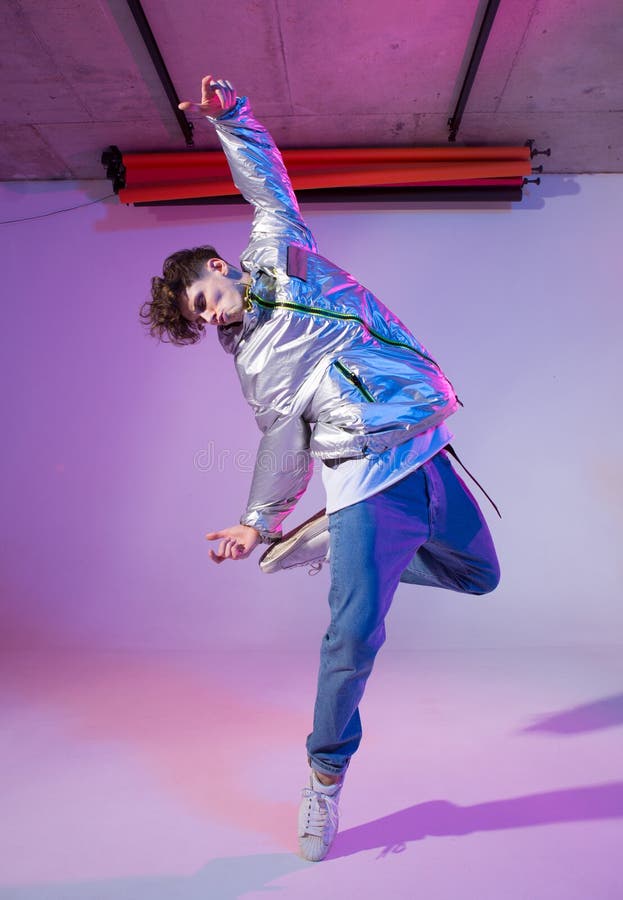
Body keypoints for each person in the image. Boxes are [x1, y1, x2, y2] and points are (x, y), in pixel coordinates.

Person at [141, 75, 501, 862]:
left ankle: (338, 551)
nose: (212, 315)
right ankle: (323, 779)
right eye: (200, 319)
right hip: (365, 480)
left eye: (204, 297)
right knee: (352, 640)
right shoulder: (258, 363)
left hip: (427, 447)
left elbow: (266, 183)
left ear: (217, 265)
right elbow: (281, 439)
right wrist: (256, 520)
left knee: (480, 577)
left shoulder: (280, 250)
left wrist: (231, 117)